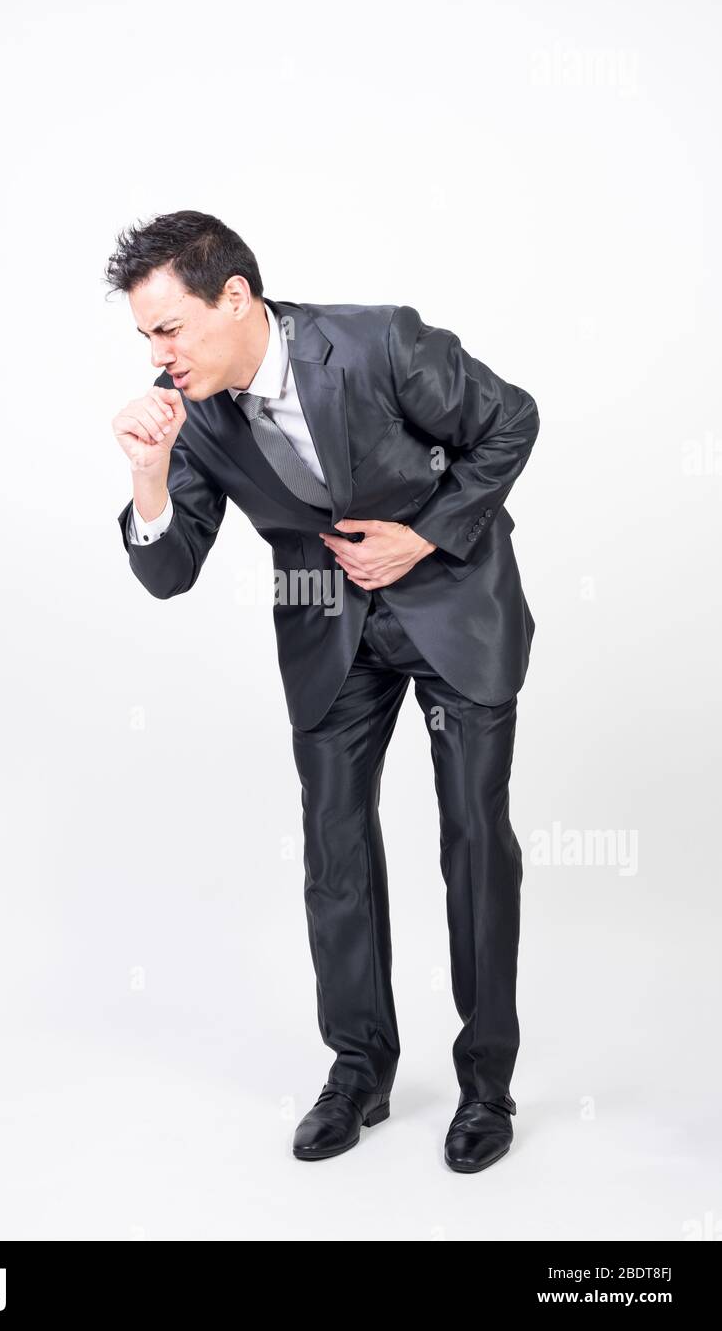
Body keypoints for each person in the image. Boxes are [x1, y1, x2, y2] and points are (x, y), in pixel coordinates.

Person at [107, 210, 540, 1173]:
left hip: (453, 608)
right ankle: (359, 1067)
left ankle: (486, 1086)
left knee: (473, 843)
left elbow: (510, 419)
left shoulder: (378, 340)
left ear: (235, 297)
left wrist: (422, 534)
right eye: (142, 336)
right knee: (332, 850)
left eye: (167, 329)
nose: (156, 355)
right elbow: (170, 570)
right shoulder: (191, 410)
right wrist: (148, 476)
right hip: (329, 634)